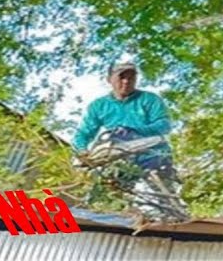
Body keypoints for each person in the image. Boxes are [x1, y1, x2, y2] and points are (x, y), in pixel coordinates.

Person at [73, 61, 179, 193]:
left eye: (131, 78)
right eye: (121, 77)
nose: (126, 81)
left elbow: (164, 125)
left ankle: (170, 209)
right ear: (109, 79)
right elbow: (83, 133)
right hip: (119, 156)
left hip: (152, 152)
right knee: (108, 190)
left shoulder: (150, 99)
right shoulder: (99, 106)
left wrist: (134, 129)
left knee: (164, 191)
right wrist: (82, 150)